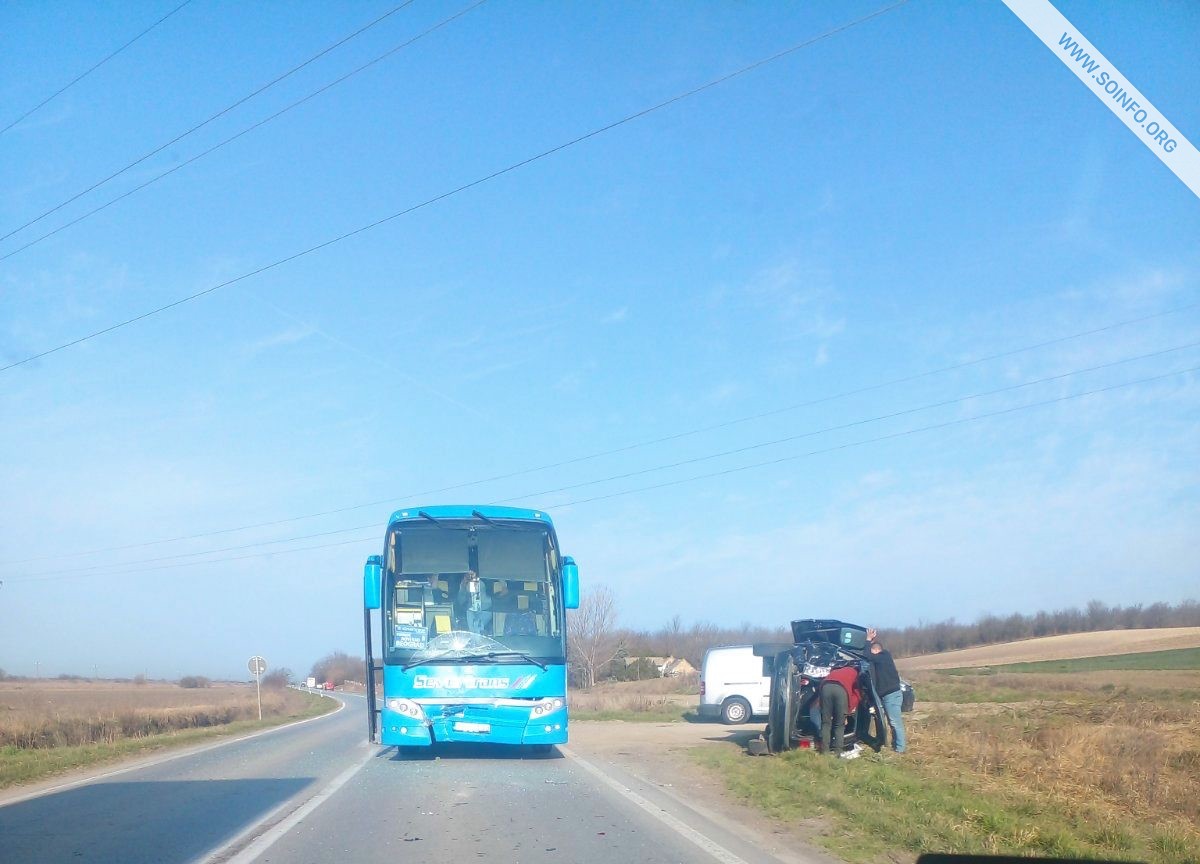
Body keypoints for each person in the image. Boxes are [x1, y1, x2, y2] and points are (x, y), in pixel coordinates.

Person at [865, 627, 906, 753]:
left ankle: (900, 748)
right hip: (890, 695)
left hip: (891, 696)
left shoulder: (883, 656)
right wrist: (872, 641)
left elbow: (867, 656)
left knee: (895, 722)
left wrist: (868, 640)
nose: (871, 654)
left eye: (872, 650)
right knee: (891, 721)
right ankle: (895, 745)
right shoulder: (883, 657)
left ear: (877, 650)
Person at [818, 664, 860, 757]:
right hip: (841, 690)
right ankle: (838, 752)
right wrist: (847, 712)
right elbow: (856, 695)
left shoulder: (836, 671)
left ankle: (825, 752)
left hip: (825, 687)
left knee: (825, 723)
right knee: (839, 724)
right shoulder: (855, 673)